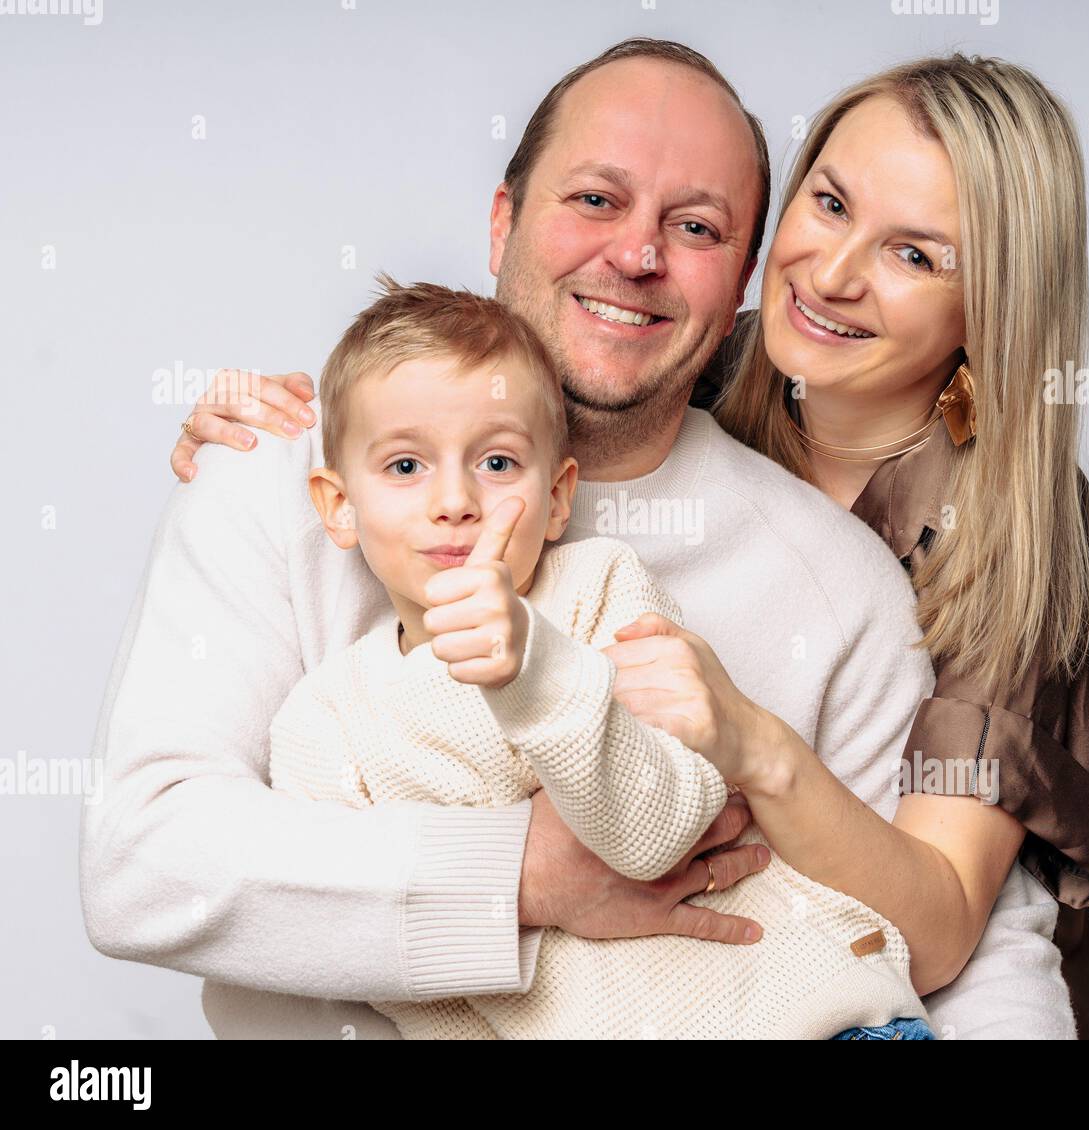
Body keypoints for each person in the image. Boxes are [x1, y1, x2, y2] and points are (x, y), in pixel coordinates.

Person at [86, 38, 1074, 1040]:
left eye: (695, 226)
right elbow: (143, 866)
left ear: (740, 276)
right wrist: (523, 877)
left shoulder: (856, 578)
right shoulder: (275, 480)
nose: (637, 256)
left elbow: (960, 951)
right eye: (595, 199)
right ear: (503, 218)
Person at [271, 276, 934, 1039]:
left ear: (559, 497)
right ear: (338, 506)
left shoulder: (601, 589)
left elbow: (662, 831)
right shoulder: (324, 724)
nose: (454, 502)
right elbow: (368, 947)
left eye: (496, 463)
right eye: (405, 467)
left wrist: (532, 673)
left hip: (816, 1019)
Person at [695, 54, 1089, 1039]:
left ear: (994, 310)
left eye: (915, 256)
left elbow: (936, 932)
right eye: (830, 203)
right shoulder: (698, 371)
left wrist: (758, 751)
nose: (831, 275)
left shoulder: (1017, 523)